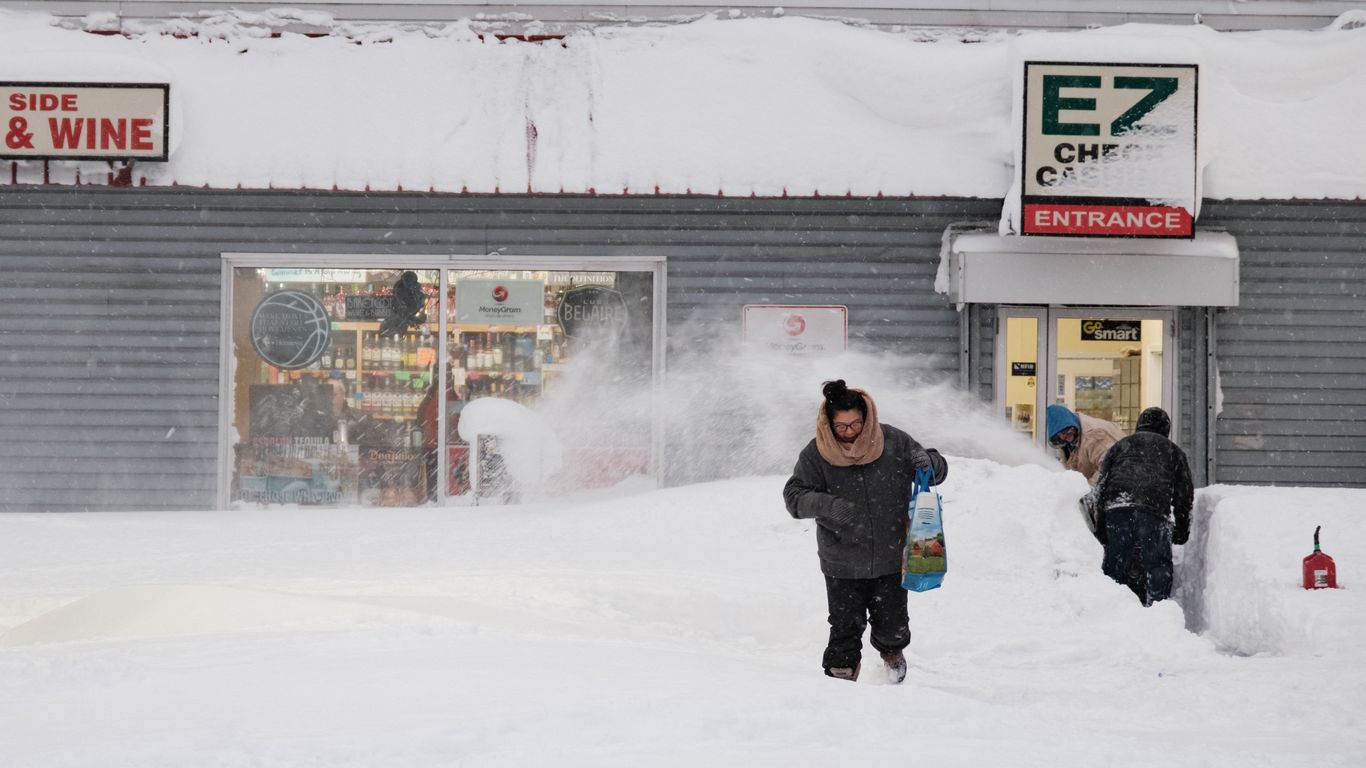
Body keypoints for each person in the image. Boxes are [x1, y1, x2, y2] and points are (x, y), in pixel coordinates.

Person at [783, 379, 948, 684]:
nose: (850, 432)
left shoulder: (894, 442)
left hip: (890, 555)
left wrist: (931, 462)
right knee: (845, 624)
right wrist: (826, 505)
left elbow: (936, 472)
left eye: (856, 424)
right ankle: (841, 675)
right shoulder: (816, 453)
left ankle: (892, 653)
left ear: (867, 417)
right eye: (841, 426)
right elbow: (793, 497)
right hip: (842, 559)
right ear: (828, 423)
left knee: (892, 624)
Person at [1091, 407, 1194, 606]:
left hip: (1117, 507)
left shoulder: (1120, 446)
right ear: (1166, 429)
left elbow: (1101, 488)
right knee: (1157, 566)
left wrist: (1102, 530)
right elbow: (1184, 496)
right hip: (1153, 511)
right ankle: (1158, 611)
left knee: (1116, 565)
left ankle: (1110, 610)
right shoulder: (1174, 451)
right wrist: (1181, 531)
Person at [1045, 404, 1124, 485]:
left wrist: (1087, 490)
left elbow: (1109, 466)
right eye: (1063, 435)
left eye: (1069, 433)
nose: (1067, 438)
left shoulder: (1094, 436)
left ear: (1073, 424)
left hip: (1122, 480)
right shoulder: (1070, 441)